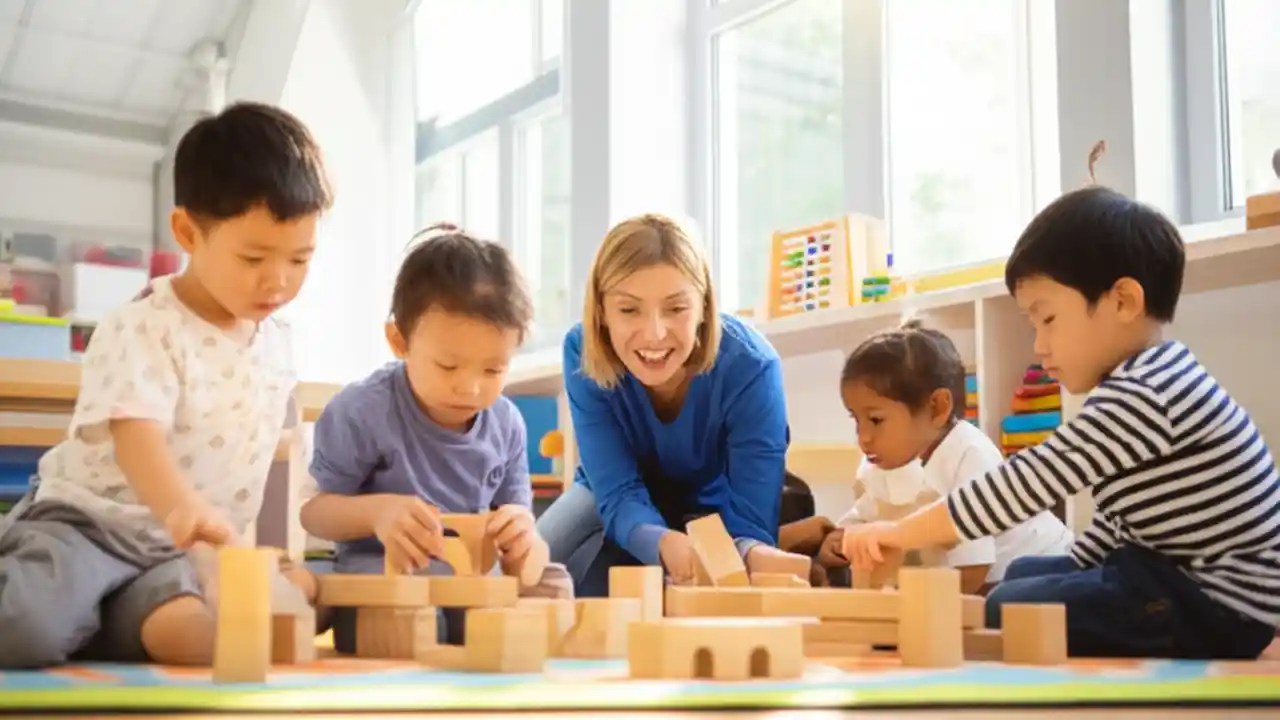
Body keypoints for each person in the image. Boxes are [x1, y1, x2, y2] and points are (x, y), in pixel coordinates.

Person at [843, 186, 1280, 659]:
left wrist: (897, 533)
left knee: (1012, 602)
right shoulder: (1146, 382)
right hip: (1175, 580)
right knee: (1022, 575)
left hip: (1214, 605)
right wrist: (1074, 569)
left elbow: (1022, 485)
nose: (1039, 345)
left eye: (1047, 319)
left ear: (1123, 301)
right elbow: (1121, 525)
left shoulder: (1145, 394)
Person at [0, 102, 332, 668]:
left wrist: (258, 557)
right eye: (253, 257)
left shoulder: (277, 343)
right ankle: (72, 605)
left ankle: (99, 617)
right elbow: (137, 434)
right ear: (188, 233)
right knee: (22, 631)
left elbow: (258, 460)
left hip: (173, 556)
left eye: (300, 259)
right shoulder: (145, 325)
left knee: (196, 640)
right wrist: (182, 507)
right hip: (89, 528)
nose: (278, 281)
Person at [301, 224, 566, 652]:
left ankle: (492, 643)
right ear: (399, 341)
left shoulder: (506, 424)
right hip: (386, 571)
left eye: (493, 369)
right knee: (411, 623)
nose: (471, 388)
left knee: (554, 588)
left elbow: (517, 519)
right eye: (448, 366)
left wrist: (523, 538)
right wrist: (377, 513)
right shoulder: (363, 410)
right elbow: (314, 515)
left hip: (472, 576)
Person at [535, 213, 804, 596]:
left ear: (704, 306)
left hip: (716, 504)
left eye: (676, 309)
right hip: (611, 492)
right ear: (602, 312)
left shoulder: (752, 365)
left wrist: (741, 551)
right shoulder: (581, 352)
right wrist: (660, 541)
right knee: (524, 569)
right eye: (629, 310)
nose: (655, 334)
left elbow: (751, 517)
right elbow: (616, 489)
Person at [818, 320, 1071, 594]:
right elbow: (869, 514)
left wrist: (913, 604)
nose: (863, 437)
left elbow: (973, 570)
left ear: (938, 408)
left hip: (1039, 572)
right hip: (977, 585)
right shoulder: (883, 462)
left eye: (876, 420)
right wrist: (843, 537)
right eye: (856, 420)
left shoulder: (969, 453)